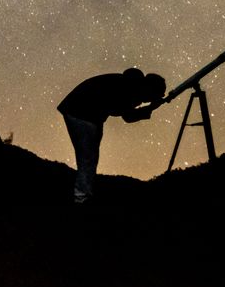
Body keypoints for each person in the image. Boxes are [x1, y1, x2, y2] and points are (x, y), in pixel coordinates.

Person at [57, 67, 166, 203]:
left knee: (90, 157)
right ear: (150, 89)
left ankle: (84, 195)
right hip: (81, 113)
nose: (149, 100)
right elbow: (128, 117)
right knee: (87, 158)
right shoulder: (131, 88)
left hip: (87, 114)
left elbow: (126, 113)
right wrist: (151, 108)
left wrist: (149, 107)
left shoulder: (130, 84)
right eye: (153, 96)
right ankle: (81, 198)